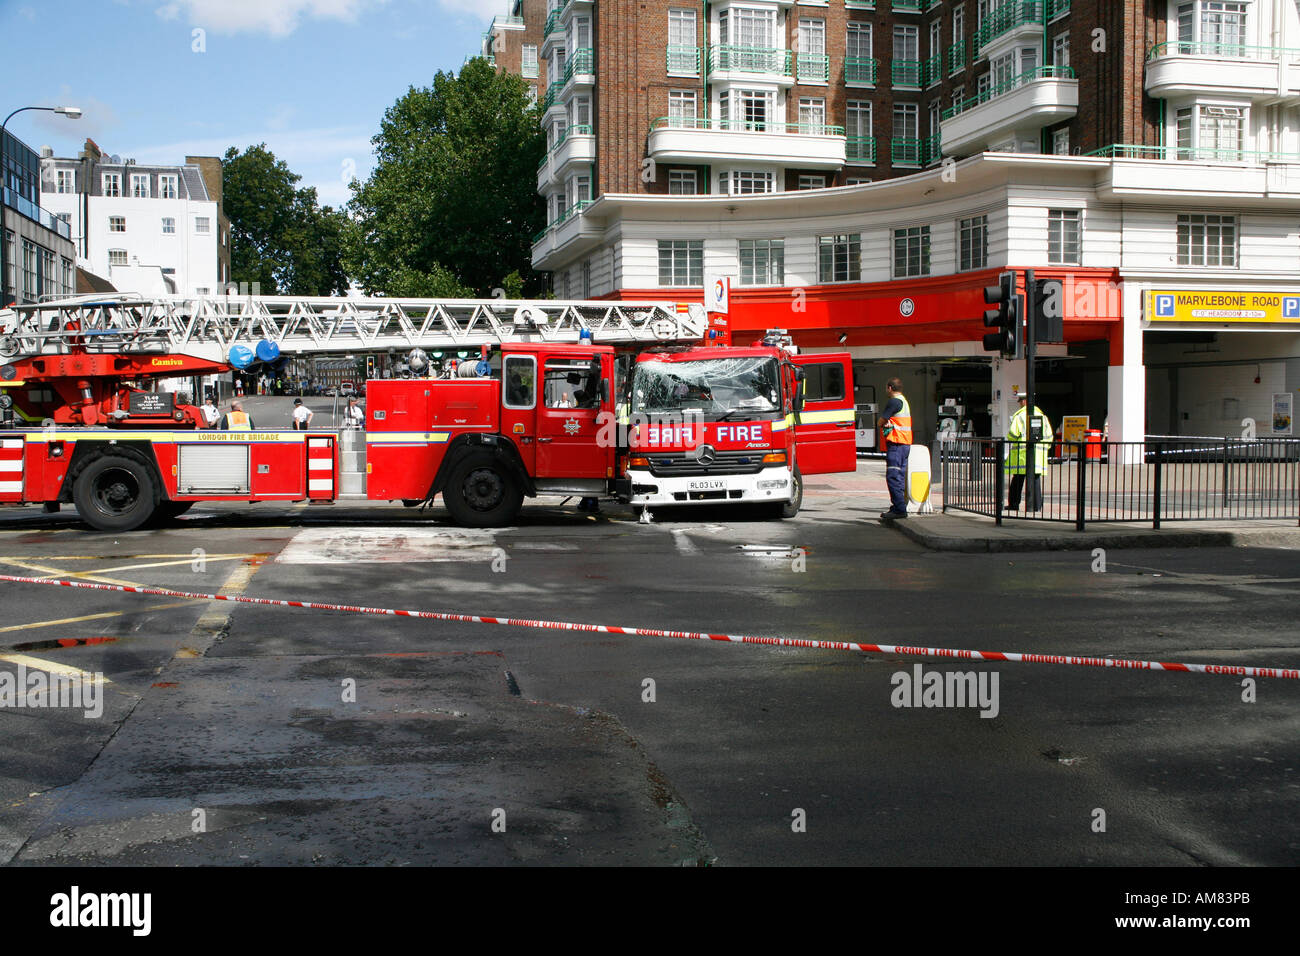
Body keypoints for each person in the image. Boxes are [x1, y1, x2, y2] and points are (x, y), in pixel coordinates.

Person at [1007, 391, 1053, 512]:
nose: (1019, 405)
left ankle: (1014, 504)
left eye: (1020, 402)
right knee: (1035, 480)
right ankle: (1036, 506)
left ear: (1024, 401)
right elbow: (1049, 436)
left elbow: (1012, 435)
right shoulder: (1043, 417)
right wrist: (1044, 449)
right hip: (1038, 456)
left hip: (1022, 455)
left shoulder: (1020, 416)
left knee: (1017, 480)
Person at [876, 376, 913, 519]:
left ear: (889, 388)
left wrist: (882, 422)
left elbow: (881, 420)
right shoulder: (904, 401)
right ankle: (899, 506)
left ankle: (899, 509)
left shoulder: (894, 401)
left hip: (896, 444)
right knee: (899, 477)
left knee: (892, 476)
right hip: (905, 444)